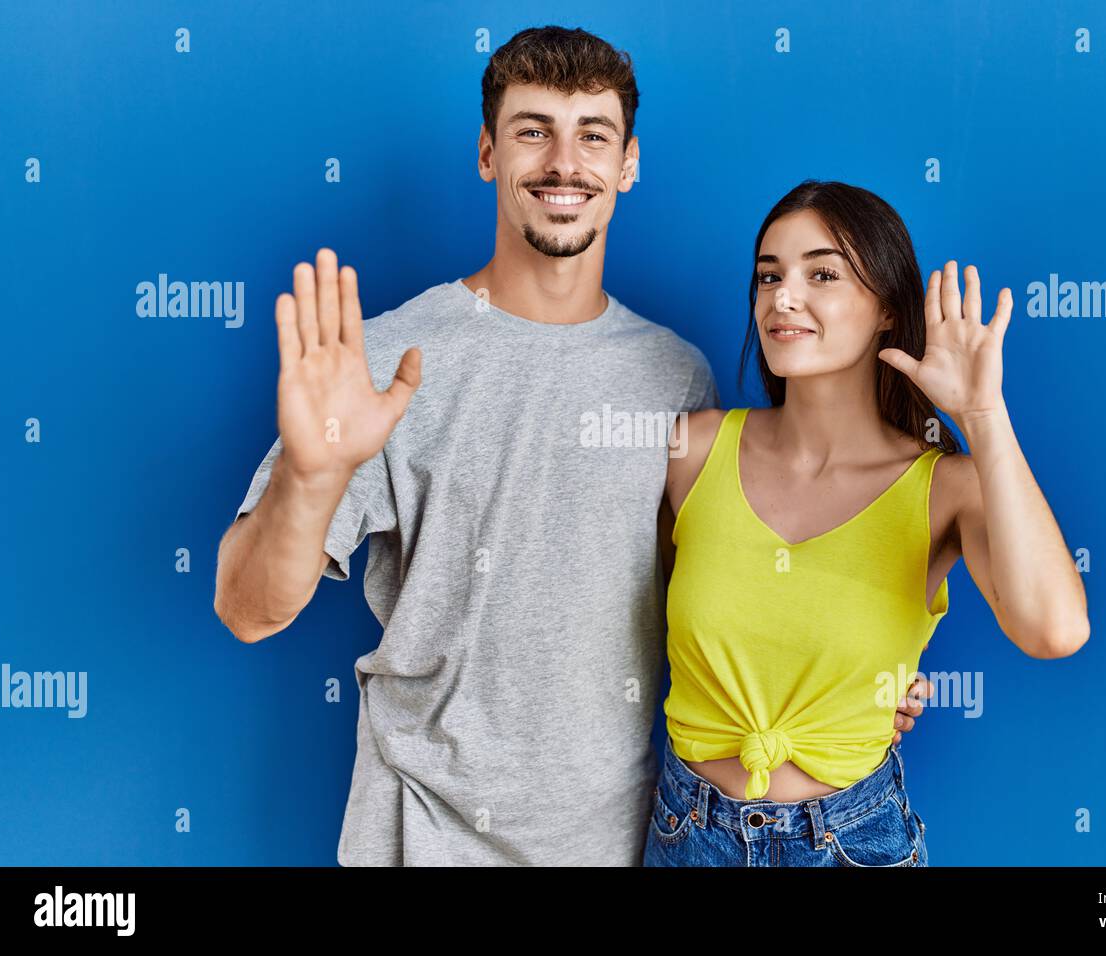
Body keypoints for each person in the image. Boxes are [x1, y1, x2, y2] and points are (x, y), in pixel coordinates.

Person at [212, 27, 936, 866]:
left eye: (592, 134)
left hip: (638, 841)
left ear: (627, 164)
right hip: (423, 839)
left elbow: (719, 602)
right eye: (532, 130)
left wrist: (856, 679)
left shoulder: (678, 378)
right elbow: (246, 609)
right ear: (488, 152)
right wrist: (309, 473)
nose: (564, 162)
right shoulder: (385, 359)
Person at [643, 181, 1090, 867]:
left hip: (850, 842)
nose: (782, 297)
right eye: (769, 276)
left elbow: (1054, 630)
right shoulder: (692, 449)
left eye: (822, 273)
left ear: (886, 309)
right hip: (687, 833)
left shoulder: (946, 486)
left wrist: (984, 418)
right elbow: (652, 620)